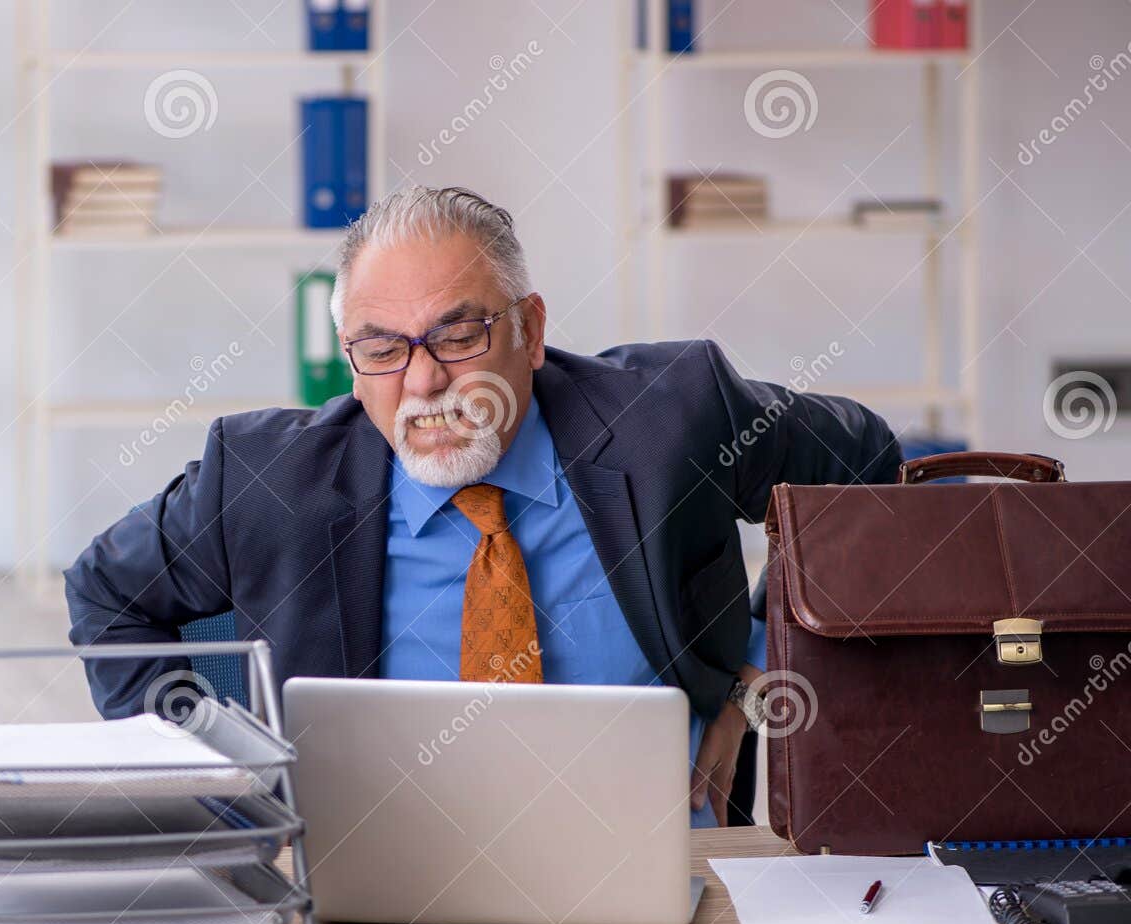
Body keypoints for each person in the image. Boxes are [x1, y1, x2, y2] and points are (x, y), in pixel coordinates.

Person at [65, 186, 900, 825]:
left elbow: (867, 469)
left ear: (530, 331)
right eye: (381, 349)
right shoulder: (262, 480)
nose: (424, 381)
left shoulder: (673, 417)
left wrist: (758, 673)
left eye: (459, 337)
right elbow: (105, 593)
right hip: (379, 893)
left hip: (662, 859)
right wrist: (226, 791)